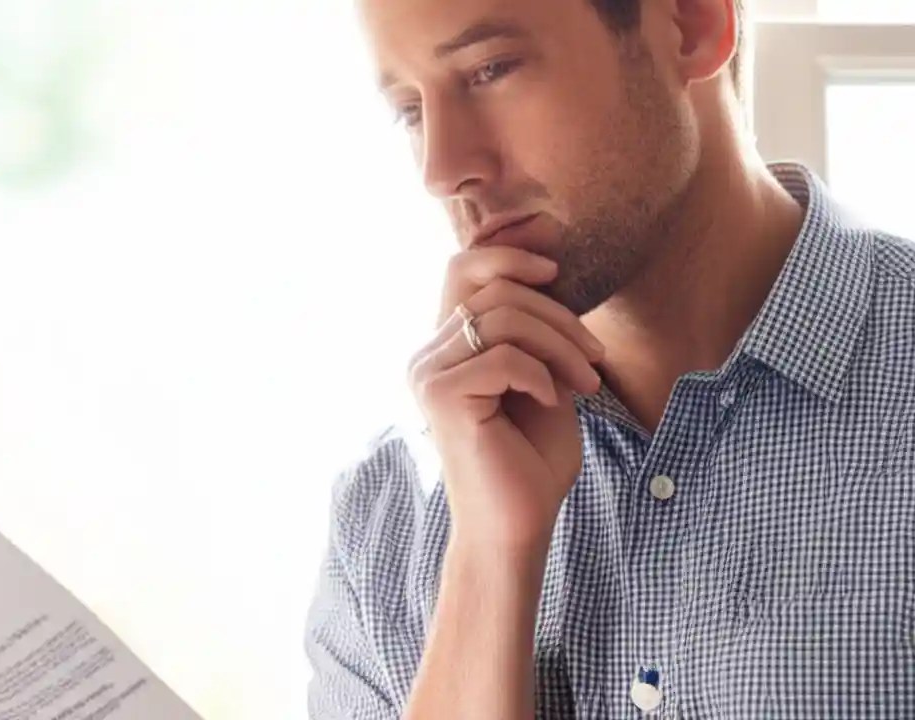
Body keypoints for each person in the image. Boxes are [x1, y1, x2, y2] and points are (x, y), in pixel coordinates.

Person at [304, 0, 915, 717]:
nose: (443, 170)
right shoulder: (384, 524)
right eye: (410, 111)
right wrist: (489, 560)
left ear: (690, 24)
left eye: (491, 69)